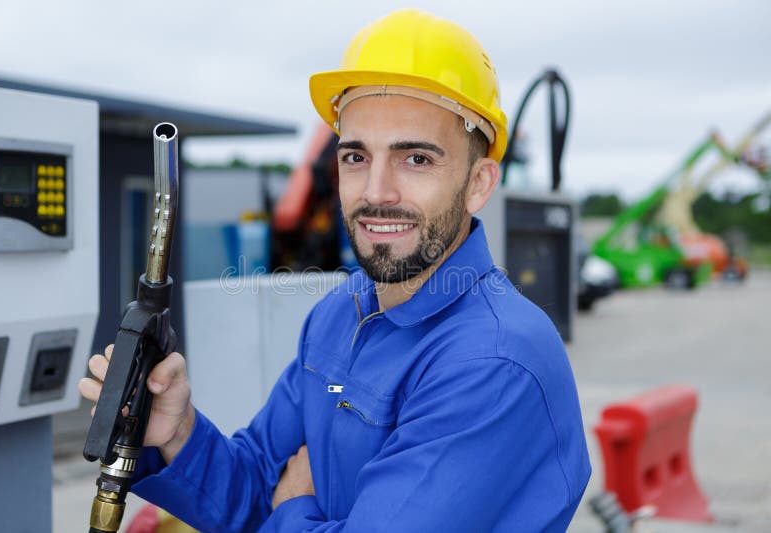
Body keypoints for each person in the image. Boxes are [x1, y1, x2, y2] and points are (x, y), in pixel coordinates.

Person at [80, 8, 590, 532]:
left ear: (479, 184)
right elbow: (255, 484)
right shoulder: (338, 318)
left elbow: (277, 505)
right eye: (356, 157)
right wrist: (177, 433)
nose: (375, 192)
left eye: (415, 159)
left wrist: (293, 507)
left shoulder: (495, 362)